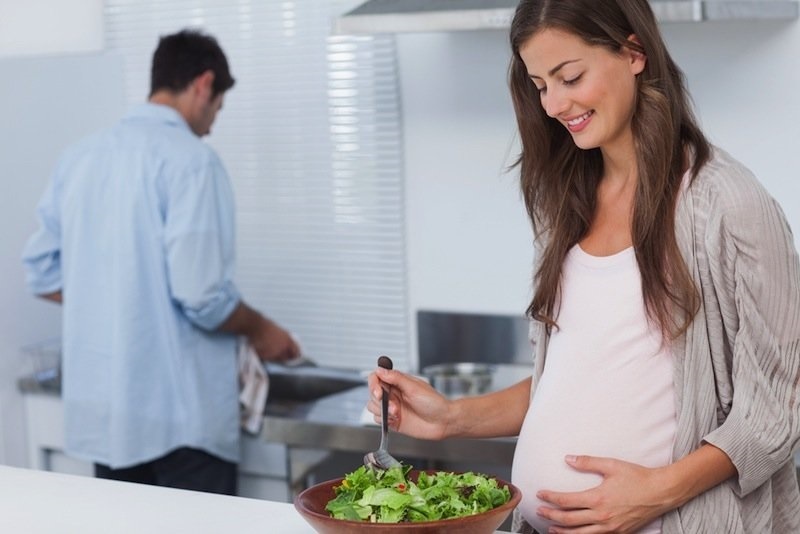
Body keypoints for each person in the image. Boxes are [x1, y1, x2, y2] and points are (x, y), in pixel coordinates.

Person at [366, 0, 800, 532]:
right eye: (540, 84)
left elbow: (776, 412)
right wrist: (452, 417)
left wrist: (655, 493)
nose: (553, 104)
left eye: (570, 77)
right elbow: (570, 380)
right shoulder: (565, 204)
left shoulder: (727, 206)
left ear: (633, 52)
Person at [21, 29, 299, 496]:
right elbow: (202, 296)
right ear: (204, 84)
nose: (211, 125)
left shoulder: (80, 158)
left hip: (108, 418)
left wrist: (114, 298)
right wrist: (260, 328)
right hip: (179, 422)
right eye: (217, 109)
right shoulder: (193, 162)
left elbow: (41, 273)